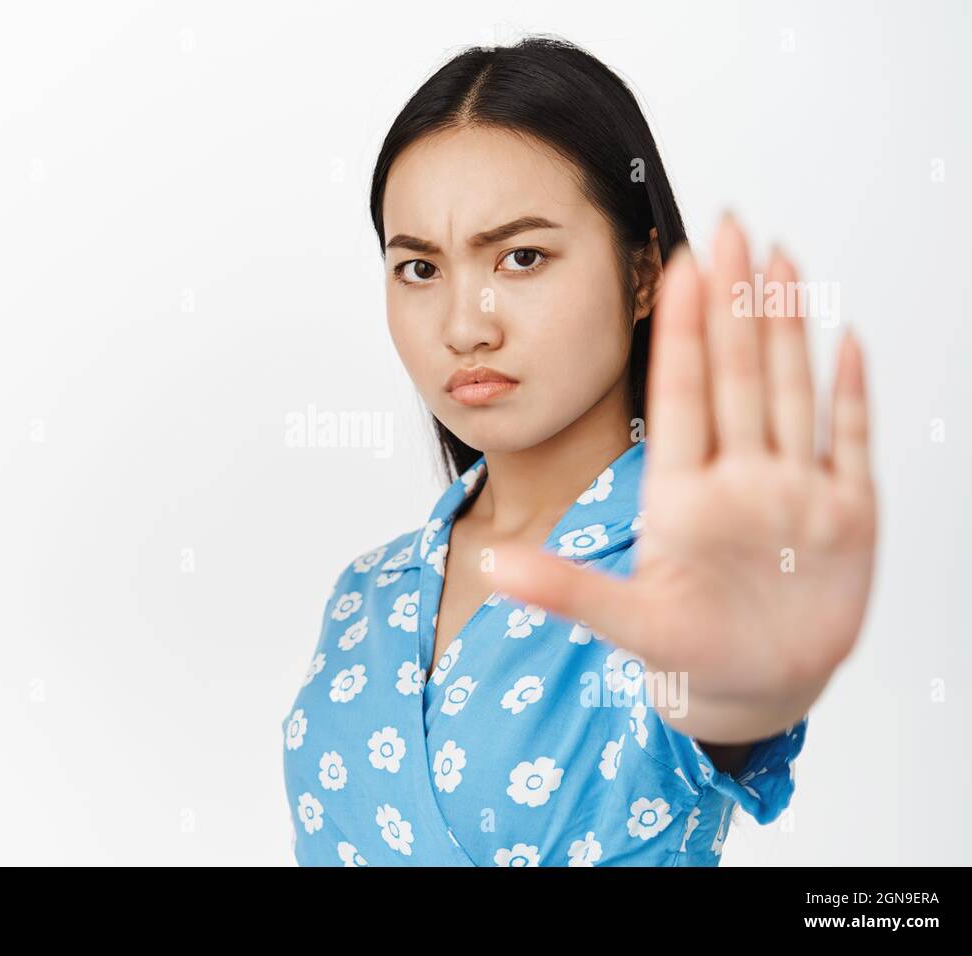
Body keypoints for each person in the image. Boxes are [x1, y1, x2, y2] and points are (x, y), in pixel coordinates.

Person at [280, 35, 875, 866]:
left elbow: (712, 691)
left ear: (643, 273)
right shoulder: (367, 591)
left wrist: (739, 678)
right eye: (419, 269)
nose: (464, 325)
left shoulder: (684, 569)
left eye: (521, 257)